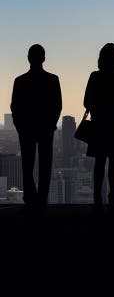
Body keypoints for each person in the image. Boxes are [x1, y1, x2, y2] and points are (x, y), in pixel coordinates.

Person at [10, 44, 62, 212]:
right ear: (44, 58)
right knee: (45, 165)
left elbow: (15, 107)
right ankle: (42, 200)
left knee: (27, 165)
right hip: (45, 128)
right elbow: (57, 105)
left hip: (26, 129)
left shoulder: (20, 81)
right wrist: (51, 124)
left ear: (28, 58)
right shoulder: (53, 80)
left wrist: (20, 127)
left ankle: (30, 200)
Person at [83, 43, 114, 211]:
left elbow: (86, 102)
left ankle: (97, 198)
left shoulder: (95, 77)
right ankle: (112, 197)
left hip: (99, 122)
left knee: (99, 162)